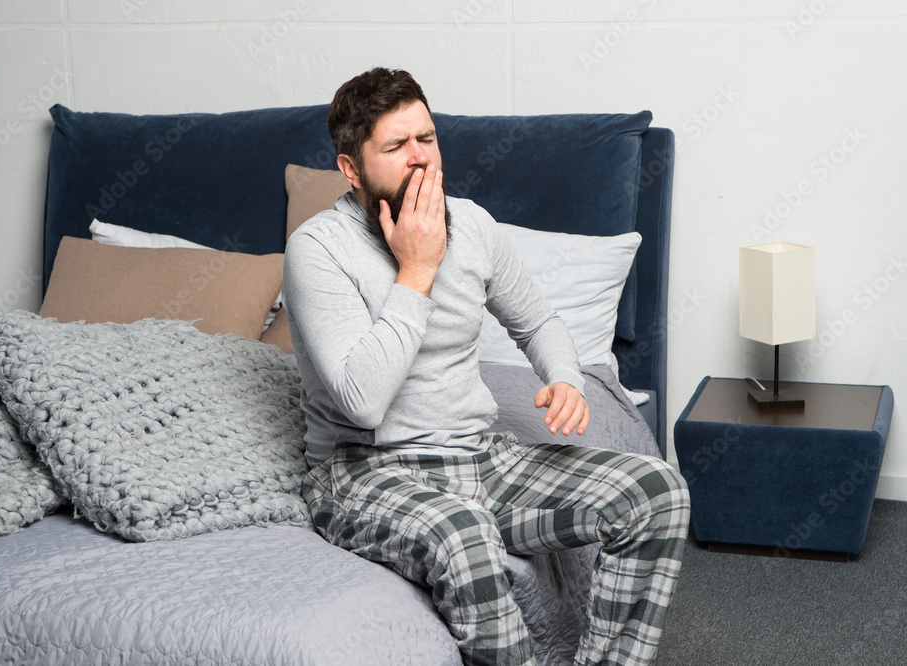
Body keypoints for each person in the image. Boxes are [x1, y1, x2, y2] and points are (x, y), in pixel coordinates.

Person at [282, 67, 690, 666]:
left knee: (659, 491)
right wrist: (416, 269)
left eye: (427, 138)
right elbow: (362, 402)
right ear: (352, 168)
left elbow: (538, 322)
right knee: (462, 532)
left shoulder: (472, 224)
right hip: (361, 472)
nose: (420, 159)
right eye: (396, 147)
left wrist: (565, 379)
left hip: (475, 456)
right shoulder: (317, 249)